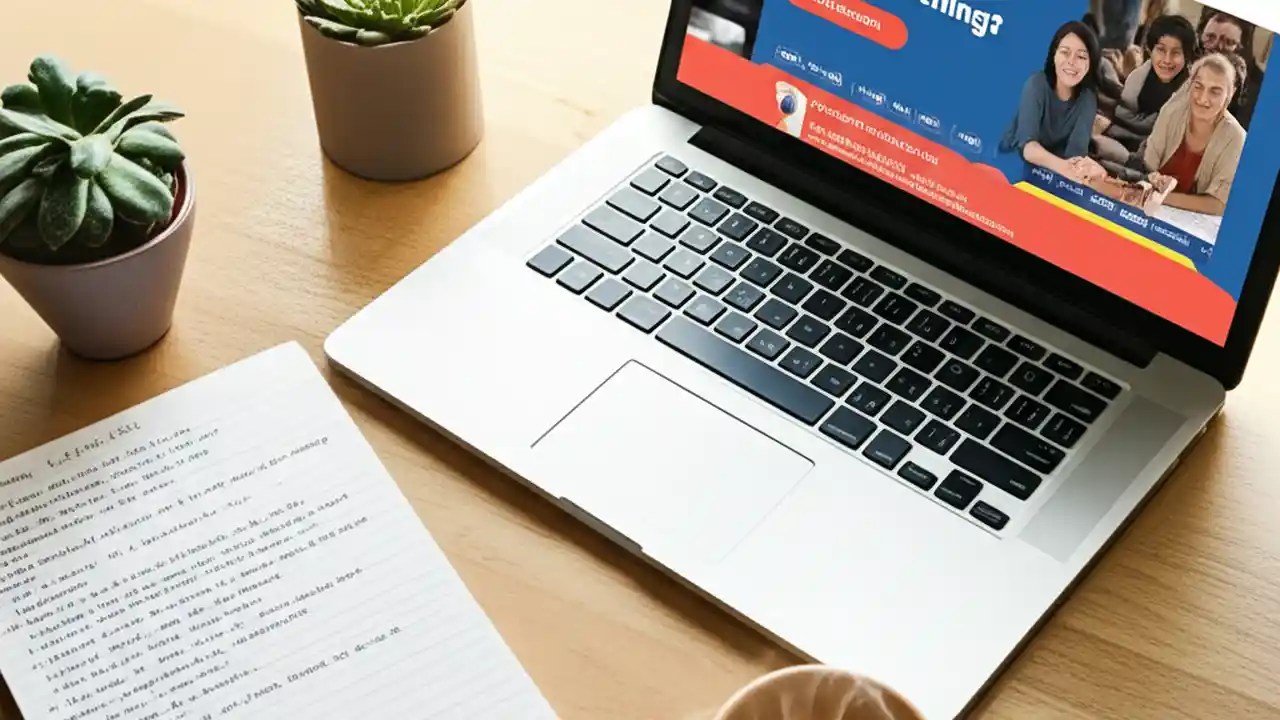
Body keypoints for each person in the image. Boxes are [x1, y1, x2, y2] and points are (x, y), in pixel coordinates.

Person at [1142, 53, 1246, 217]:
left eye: (1215, 91)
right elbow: (1146, 166)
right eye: (1198, 86)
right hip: (1145, 202)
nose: (1203, 98)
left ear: (1230, 94)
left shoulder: (1236, 137)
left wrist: (1162, 198)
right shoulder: (1171, 112)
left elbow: (1219, 204)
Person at [1003, 22, 1107, 184]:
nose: (1071, 62)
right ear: (1054, 55)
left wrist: (1088, 170)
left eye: (1081, 57)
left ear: (1090, 64)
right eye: (1065, 52)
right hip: (1012, 164)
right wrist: (1065, 168)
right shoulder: (1036, 84)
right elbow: (1028, 148)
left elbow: (1076, 155)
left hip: (1052, 176)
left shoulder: (1088, 99)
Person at [1094, 14, 1195, 162]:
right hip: (1120, 133)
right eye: (1161, 50)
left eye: (1176, 53)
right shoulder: (1142, 74)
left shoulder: (1188, 93)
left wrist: (1109, 126)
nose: (1167, 60)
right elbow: (1124, 108)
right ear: (1150, 50)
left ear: (1186, 57)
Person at [1198, 10, 1263, 129]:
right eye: (1210, 37)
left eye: (1228, 42)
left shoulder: (1258, 93)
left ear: (1243, 48)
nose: (1216, 47)